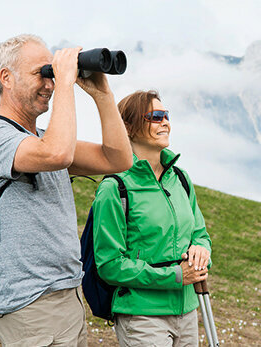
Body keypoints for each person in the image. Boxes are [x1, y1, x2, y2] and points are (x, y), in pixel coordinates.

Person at [0, 34, 132, 346]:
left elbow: (118, 159)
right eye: (41, 73)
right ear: (7, 78)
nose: (50, 84)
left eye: (52, 75)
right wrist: (67, 81)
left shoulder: (44, 138)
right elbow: (57, 154)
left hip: (67, 295)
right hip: (30, 303)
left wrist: (103, 95)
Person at [92, 90, 212, 347]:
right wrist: (175, 276)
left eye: (166, 115)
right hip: (142, 315)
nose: (165, 122)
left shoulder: (180, 179)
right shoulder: (115, 187)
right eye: (155, 116)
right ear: (129, 127)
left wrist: (202, 249)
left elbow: (199, 233)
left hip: (188, 309)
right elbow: (110, 264)